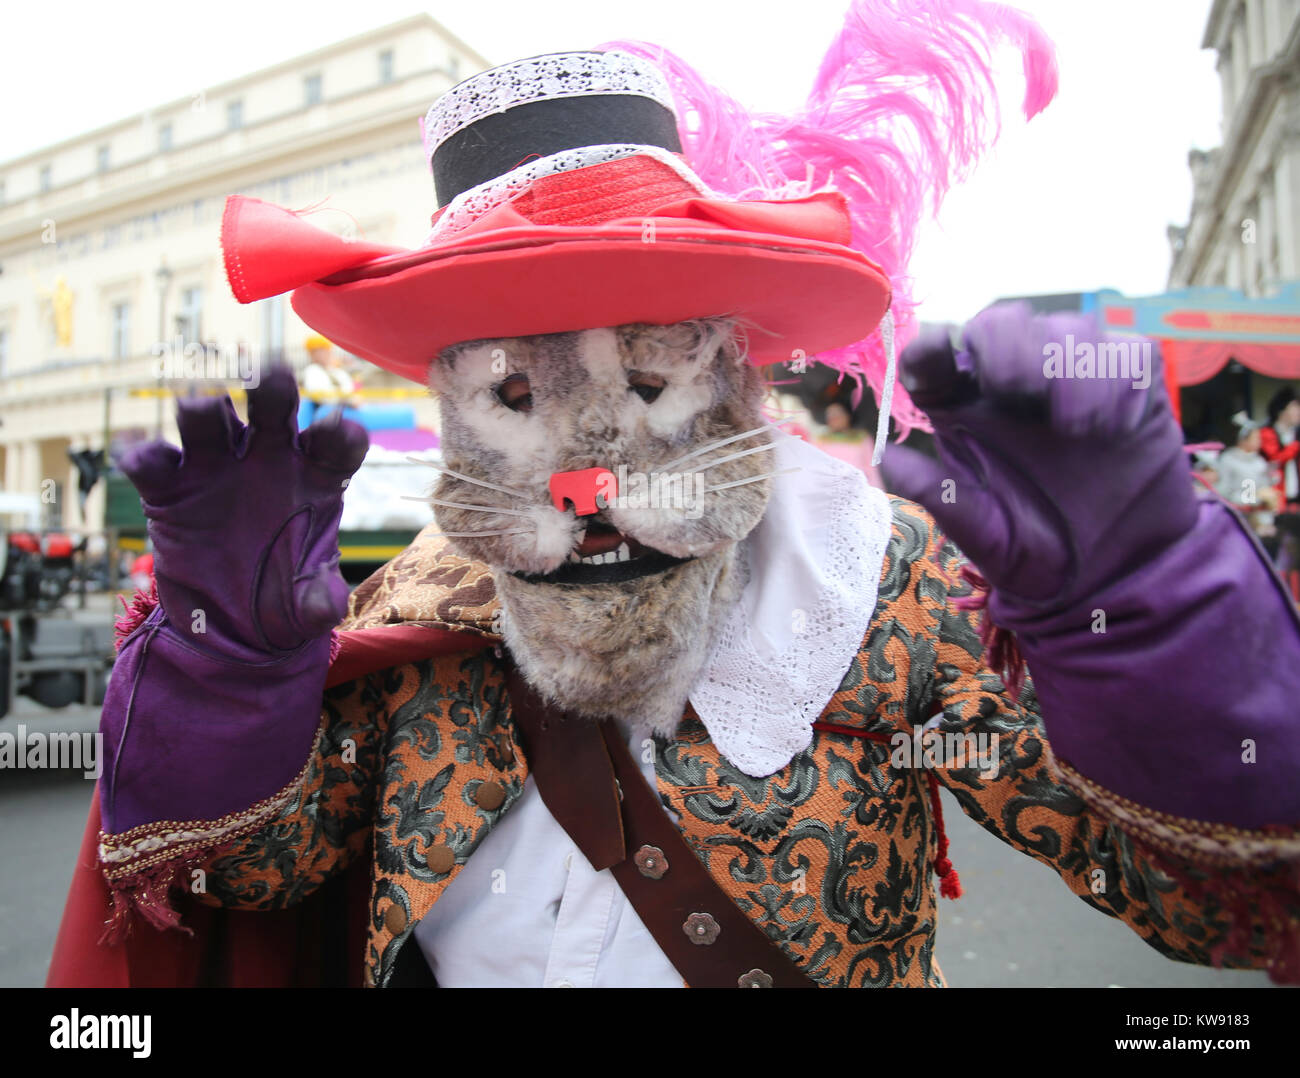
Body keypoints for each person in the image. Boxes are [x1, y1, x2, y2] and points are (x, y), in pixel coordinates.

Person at [49, 2, 1300, 990]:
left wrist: (1144, 621)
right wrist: (230, 662)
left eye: (647, 377)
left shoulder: (871, 588)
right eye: (513, 395)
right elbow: (254, 877)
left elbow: (1208, 898)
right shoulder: (413, 608)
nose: (587, 477)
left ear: (736, 371)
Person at [1215, 415, 1279, 540]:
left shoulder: (1259, 461)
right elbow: (1223, 491)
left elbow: (1263, 485)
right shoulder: (1228, 460)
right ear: (1242, 440)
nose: (1259, 441)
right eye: (1255, 438)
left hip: (1261, 518)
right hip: (1239, 518)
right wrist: (1254, 499)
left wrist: (1271, 481)